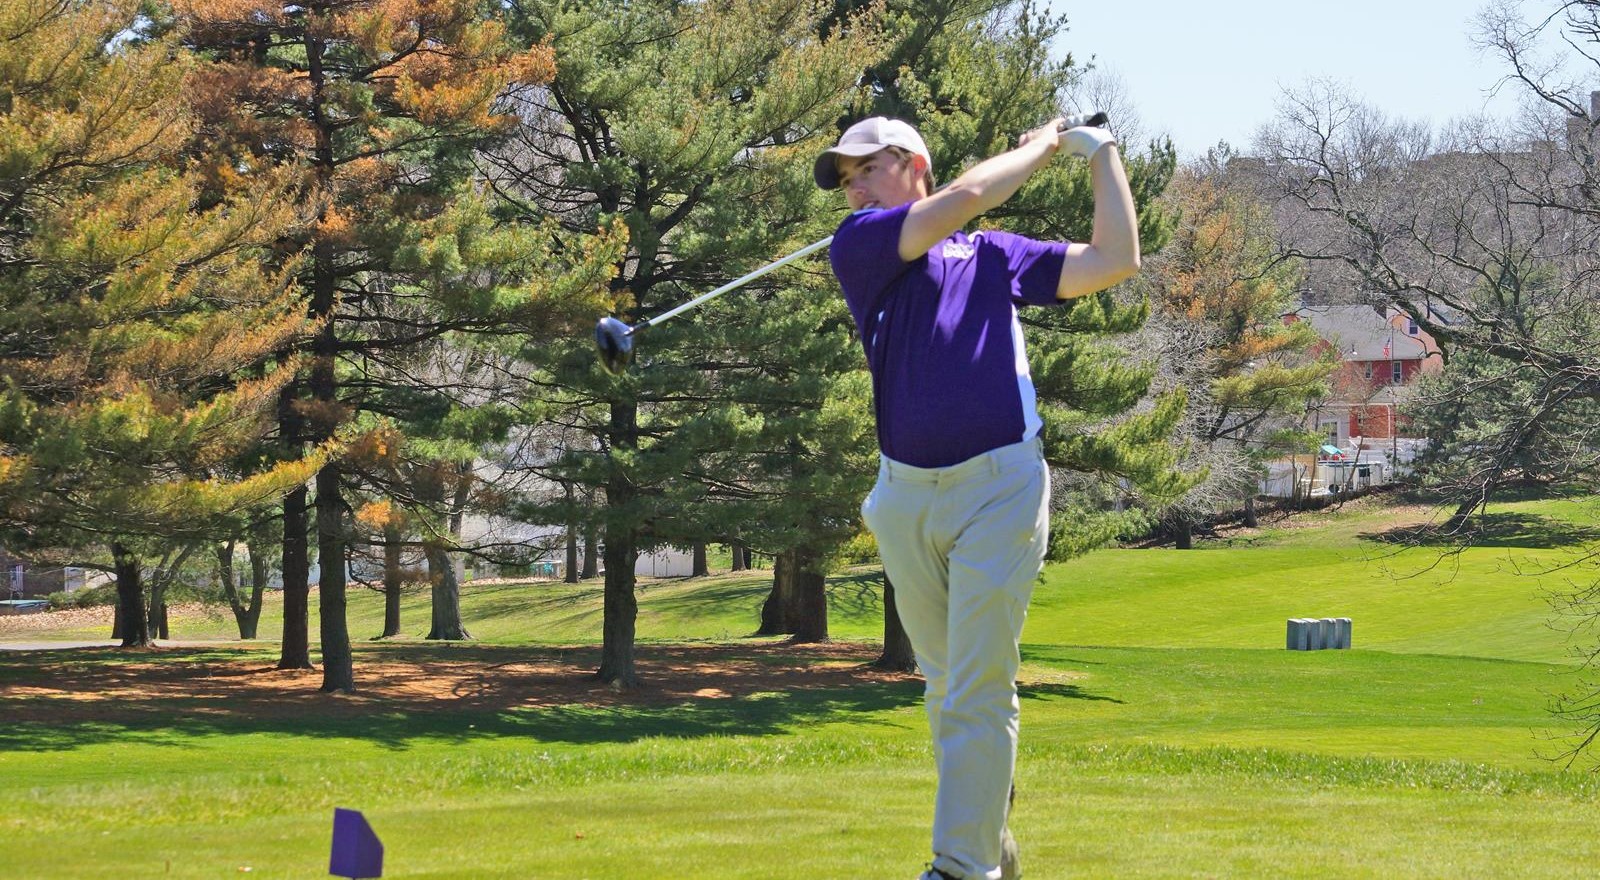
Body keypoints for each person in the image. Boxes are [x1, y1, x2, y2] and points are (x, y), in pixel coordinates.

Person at [814, 115, 1140, 880]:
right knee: (946, 690)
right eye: (846, 179)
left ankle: (963, 867)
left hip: (1000, 487)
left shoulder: (994, 256)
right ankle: (990, 834)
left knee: (977, 688)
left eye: (864, 170)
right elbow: (963, 197)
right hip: (904, 498)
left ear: (909, 160)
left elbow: (1116, 259)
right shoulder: (860, 245)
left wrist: (1099, 153)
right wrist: (1040, 146)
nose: (853, 188)